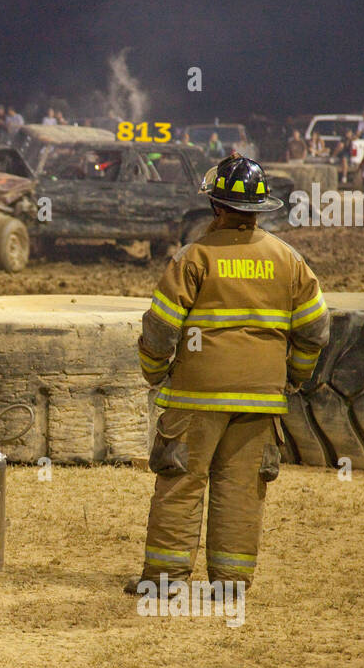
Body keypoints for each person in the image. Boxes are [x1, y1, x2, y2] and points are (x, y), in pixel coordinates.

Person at [127, 154, 329, 597]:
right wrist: (293, 376)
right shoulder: (289, 260)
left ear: (216, 207)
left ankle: (164, 583)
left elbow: (160, 328)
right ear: (260, 208)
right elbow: (315, 329)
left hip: (196, 398)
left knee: (181, 482)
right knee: (241, 488)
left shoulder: (194, 257)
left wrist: (155, 373)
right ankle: (230, 584)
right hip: (260, 400)